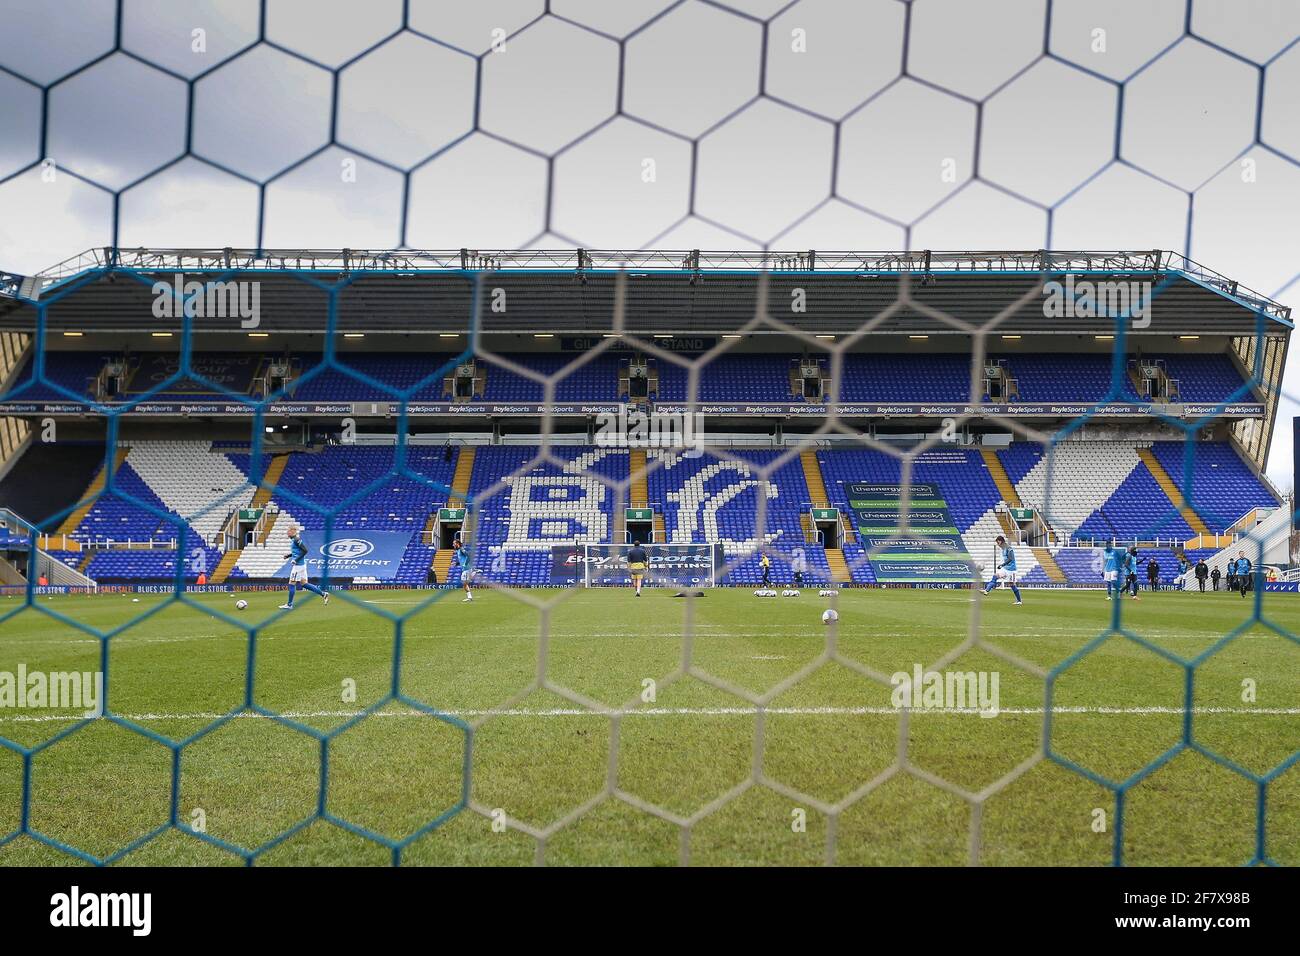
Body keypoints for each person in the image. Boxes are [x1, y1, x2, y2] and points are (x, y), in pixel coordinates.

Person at [279, 525, 329, 610]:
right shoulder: (294, 540)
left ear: (293, 531)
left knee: (291, 583)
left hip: (298, 566)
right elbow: (297, 551)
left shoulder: (296, 540)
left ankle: (289, 604)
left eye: (288, 531)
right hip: (301, 565)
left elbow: (305, 550)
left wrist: (296, 560)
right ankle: (323, 594)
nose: (287, 532)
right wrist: (289, 556)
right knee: (304, 584)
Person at [982, 535, 1022, 605]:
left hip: (1012, 570)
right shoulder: (1003, 549)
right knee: (995, 576)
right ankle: (986, 590)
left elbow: (1011, 559)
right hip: (1005, 569)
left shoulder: (1009, 548)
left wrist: (1002, 565)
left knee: (1012, 585)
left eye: (998, 543)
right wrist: (1003, 566)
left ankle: (1019, 601)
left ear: (1000, 541)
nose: (998, 544)